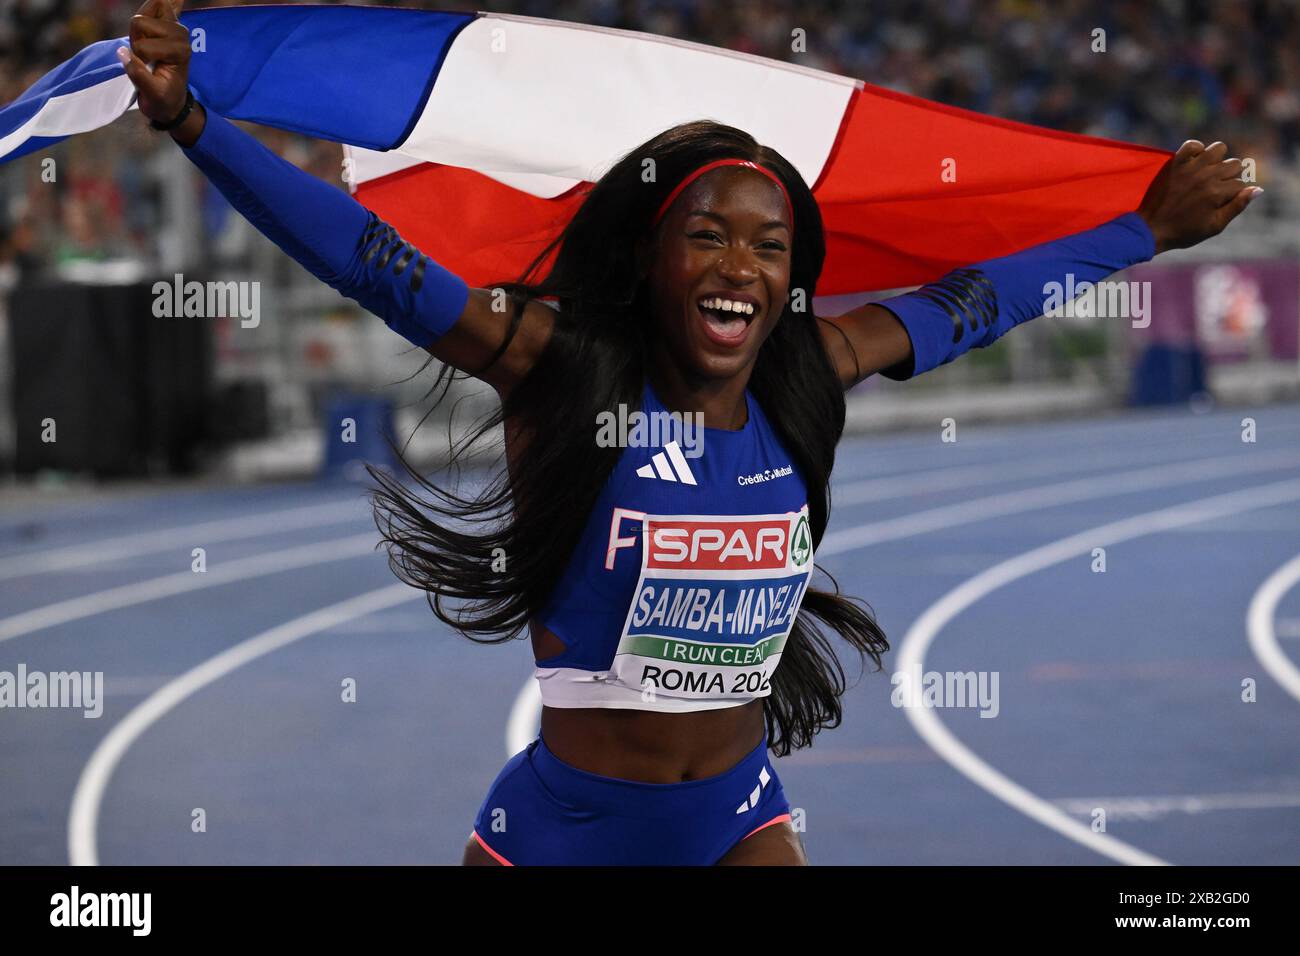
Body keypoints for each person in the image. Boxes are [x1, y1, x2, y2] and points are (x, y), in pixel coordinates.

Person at [118, 0, 1260, 866]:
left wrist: (1141, 230)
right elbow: (366, 259)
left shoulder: (808, 371)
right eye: (708, 236)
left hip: (736, 819)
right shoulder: (556, 369)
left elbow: (976, 301)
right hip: (559, 829)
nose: (740, 267)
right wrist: (194, 124)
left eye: (769, 247)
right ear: (648, 256)